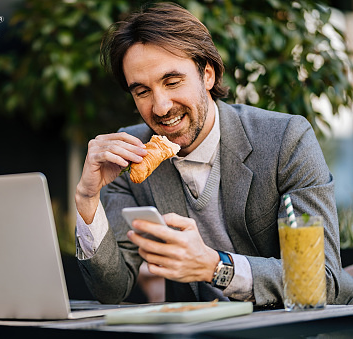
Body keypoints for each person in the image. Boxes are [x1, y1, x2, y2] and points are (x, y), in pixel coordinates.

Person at [74, 2, 353, 307]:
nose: (161, 107)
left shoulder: (286, 140)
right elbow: (111, 290)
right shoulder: (128, 158)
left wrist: (215, 267)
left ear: (207, 74)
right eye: (142, 91)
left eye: (172, 81)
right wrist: (88, 200)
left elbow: (325, 280)